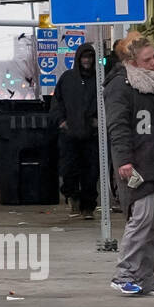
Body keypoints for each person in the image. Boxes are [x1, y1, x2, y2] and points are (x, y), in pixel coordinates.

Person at [105, 34, 154, 296]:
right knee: (141, 219)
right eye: (147, 59)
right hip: (136, 163)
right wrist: (123, 160)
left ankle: (146, 276)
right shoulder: (120, 86)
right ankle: (125, 273)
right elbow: (118, 125)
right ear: (132, 61)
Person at [49, 43, 100, 218]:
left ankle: (88, 207)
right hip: (70, 134)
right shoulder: (68, 78)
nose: (87, 61)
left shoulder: (100, 79)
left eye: (90, 57)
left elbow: (109, 102)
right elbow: (57, 103)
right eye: (84, 57)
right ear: (78, 59)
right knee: (68, 170)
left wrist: (99, 121)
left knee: (91, 173)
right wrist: (62, 121)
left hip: (91, 134)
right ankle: (73, 198)